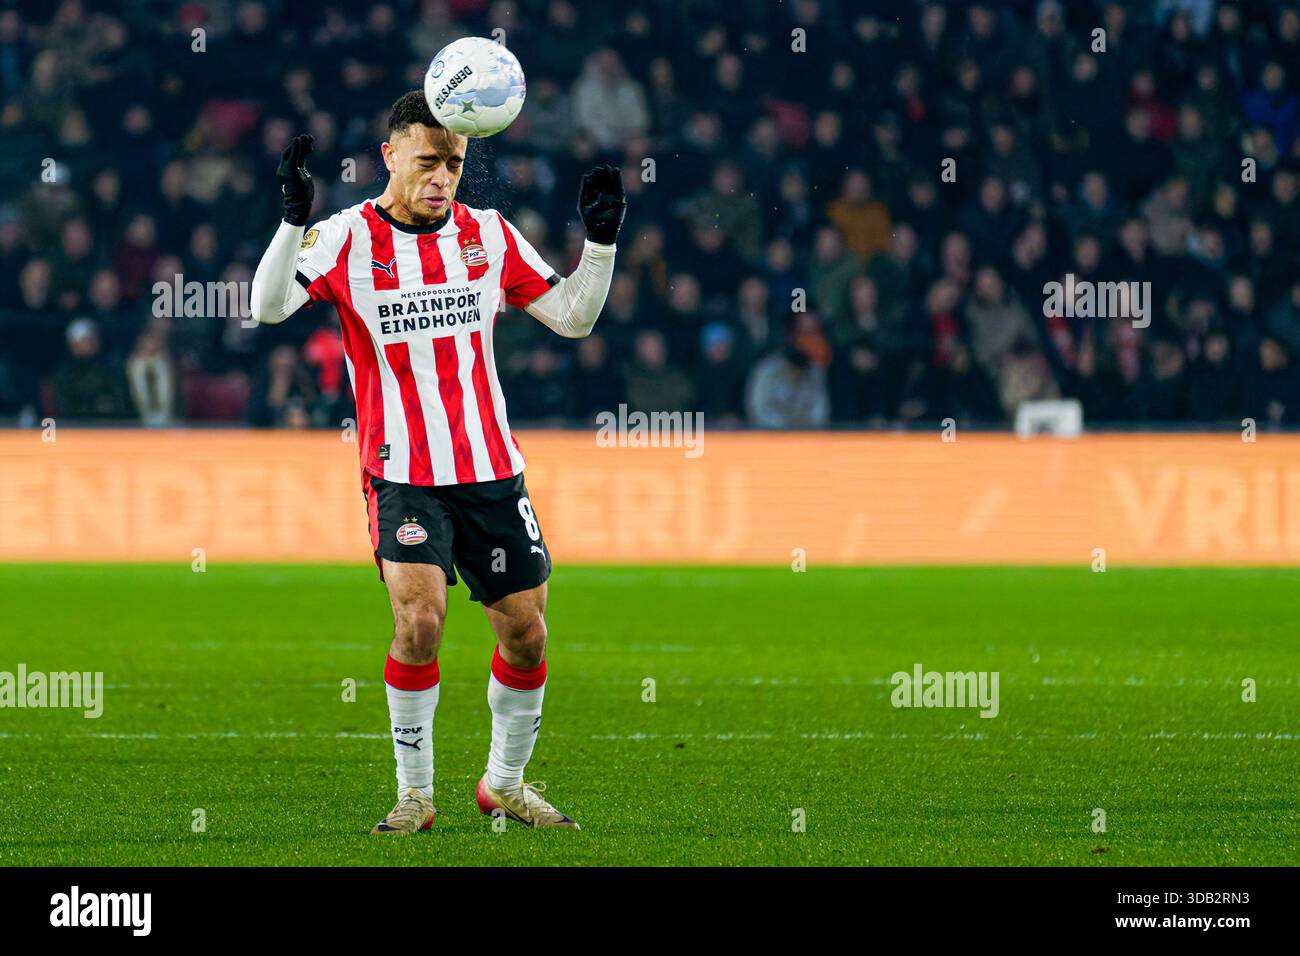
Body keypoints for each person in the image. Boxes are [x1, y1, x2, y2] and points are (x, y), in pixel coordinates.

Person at [250, 91, 626, 834]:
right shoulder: (346, 237)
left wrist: (602, 244)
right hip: (402, 472)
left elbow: (574, 319)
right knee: (420, 624)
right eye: (427, 160)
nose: (442, 177)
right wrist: (292, 221)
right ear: (390, 156)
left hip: (491, 469)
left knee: (528, 634)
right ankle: (416, 795)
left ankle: (505, 784)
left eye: (455, 162)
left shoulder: (489, 235)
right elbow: (266, 308)